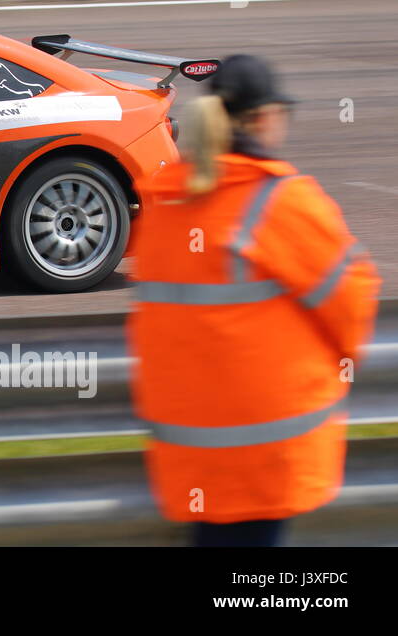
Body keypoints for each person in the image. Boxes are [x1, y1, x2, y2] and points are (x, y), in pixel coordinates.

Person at [127, 55, 380, 547]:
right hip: (267, 450)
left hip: (190, 451)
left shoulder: (166, 203)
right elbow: (352, 301)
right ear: (265, 118)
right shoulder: (281, 201)